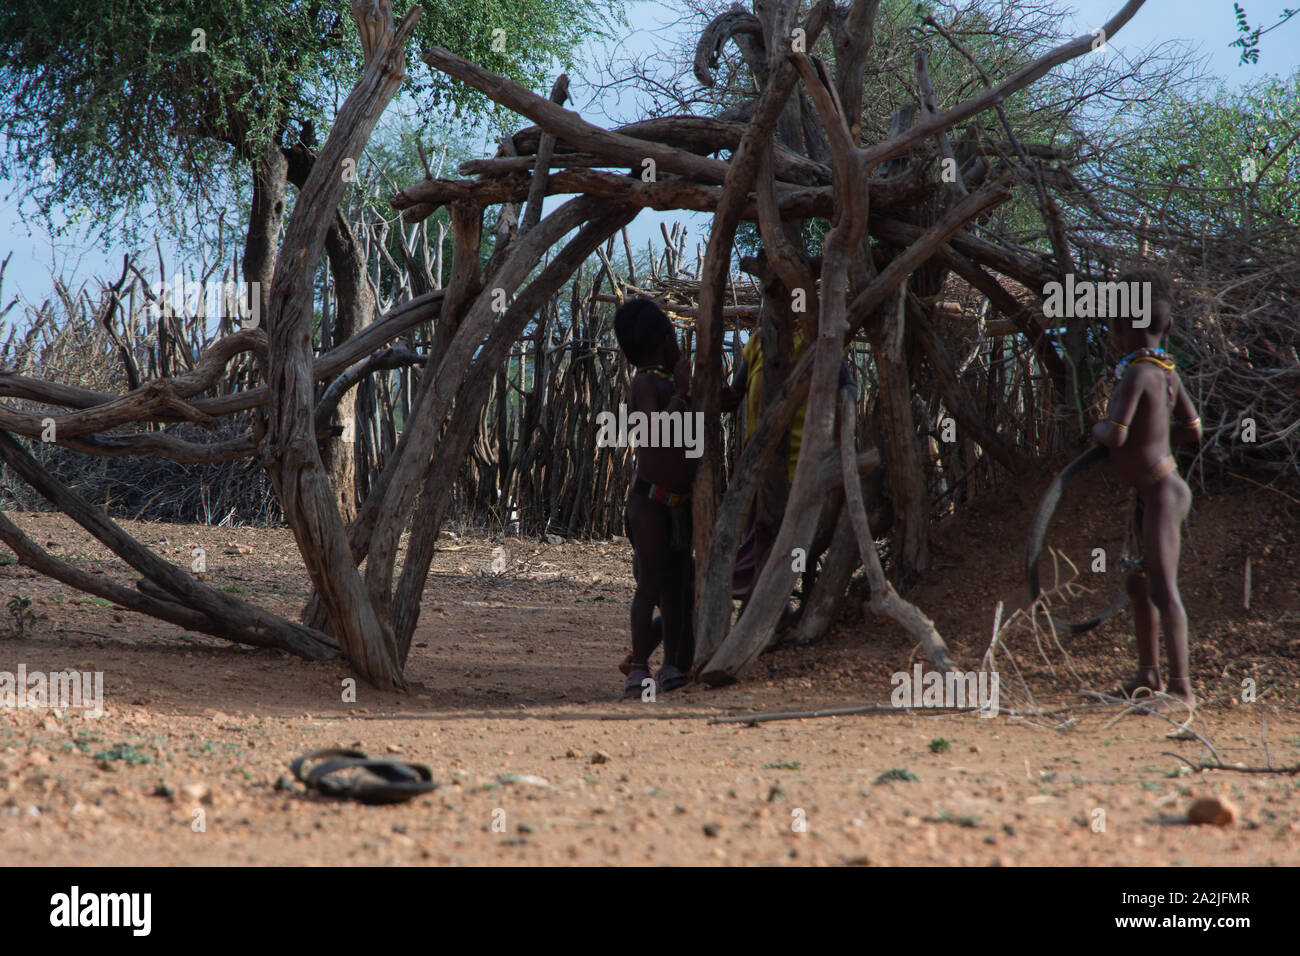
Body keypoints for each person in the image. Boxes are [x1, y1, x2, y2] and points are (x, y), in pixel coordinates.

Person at [1090, 268, 1202, 711]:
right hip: (1156, 488)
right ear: (1168, 327)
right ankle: (1147, 676)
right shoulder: (1167, 373)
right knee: (1138, 585)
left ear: (1120, 327)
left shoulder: (1135, 374)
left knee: (1162, 588)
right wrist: (1154, 445)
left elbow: (1114, 434)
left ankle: (1181, 690)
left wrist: (1094, 427)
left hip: (1161, 492)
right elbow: (1192, 429)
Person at [612, 298, 696, 699]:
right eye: (674, 335)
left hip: (678, 505)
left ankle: (673, 666)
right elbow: (652, 432)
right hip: (649, 502)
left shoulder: (670, 384)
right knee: (651, 582)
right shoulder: (646, 383)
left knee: (679, 587)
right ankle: (640, 671)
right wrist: (681, 394)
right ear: (664, 341)